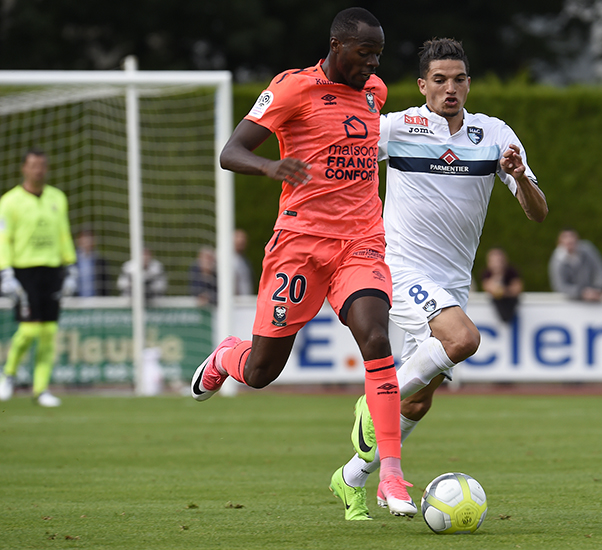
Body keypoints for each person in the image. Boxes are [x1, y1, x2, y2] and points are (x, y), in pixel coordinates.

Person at [187, 8, 416, 518]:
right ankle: (228, 356)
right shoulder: (292, 89)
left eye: (378, 54)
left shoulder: (375, 91)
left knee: (377, 338)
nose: (373, 64)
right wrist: (271, 165)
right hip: (300, 245)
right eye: (364, 53)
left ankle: (392, 476)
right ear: (337, 45)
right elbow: (231, 151)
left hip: (360, 243)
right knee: (263, 370)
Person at [331, 38, 548, 521]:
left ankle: (351, 477)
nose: (451, 89)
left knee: (420, 401)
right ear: (422, 85)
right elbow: (343, 155)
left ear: (469, 83)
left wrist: (521, 178)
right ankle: (373, 404)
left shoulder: (494, 135)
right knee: (463, 338)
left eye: (460, 79)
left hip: (452, 282)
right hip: (401, 267)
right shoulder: (397, 127)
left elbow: (538, 214)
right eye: (441, 80)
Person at [0, 148, 77, 407]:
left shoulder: (57, 197)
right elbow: (3, 239)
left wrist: (71, 267)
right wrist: (5, 271)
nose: (38, 170)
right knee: (29, 330)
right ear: (24, 168)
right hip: (24, 271)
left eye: (42, 165)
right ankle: (8, 374)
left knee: (48, 332)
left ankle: (40, 389)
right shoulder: (10, 202)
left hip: (52, 270)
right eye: (33, 165)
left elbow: (64, 233)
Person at [548, 227, 602, 302]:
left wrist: (597, 289)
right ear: (560, 242)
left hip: (594, 298)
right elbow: (559, 285)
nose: (569, 240)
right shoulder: (557, 260)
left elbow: (600, 270)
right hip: (570, 302)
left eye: (571, 236)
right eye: (565, 237)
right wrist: (581, 293)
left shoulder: (587, 250)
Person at [480, 247, 523, 323]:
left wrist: (503, 291)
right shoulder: (486, 273)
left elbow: (517, 288)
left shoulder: (511, 271)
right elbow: (490, 289)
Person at [74, 227, 112, 297]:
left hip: (96, 302)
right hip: (76, 302)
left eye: (90, 237)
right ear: (79, 240)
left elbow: (105, 285)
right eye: (85, 237)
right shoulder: (72, 260)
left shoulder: (100, 261)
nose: (87, 241)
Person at [233, 228, 254, 295]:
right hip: (232, 300)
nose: (241, 240)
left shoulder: (245, 261)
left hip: (244, 301)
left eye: (243, 238)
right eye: (238, 237)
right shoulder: (222, 259)